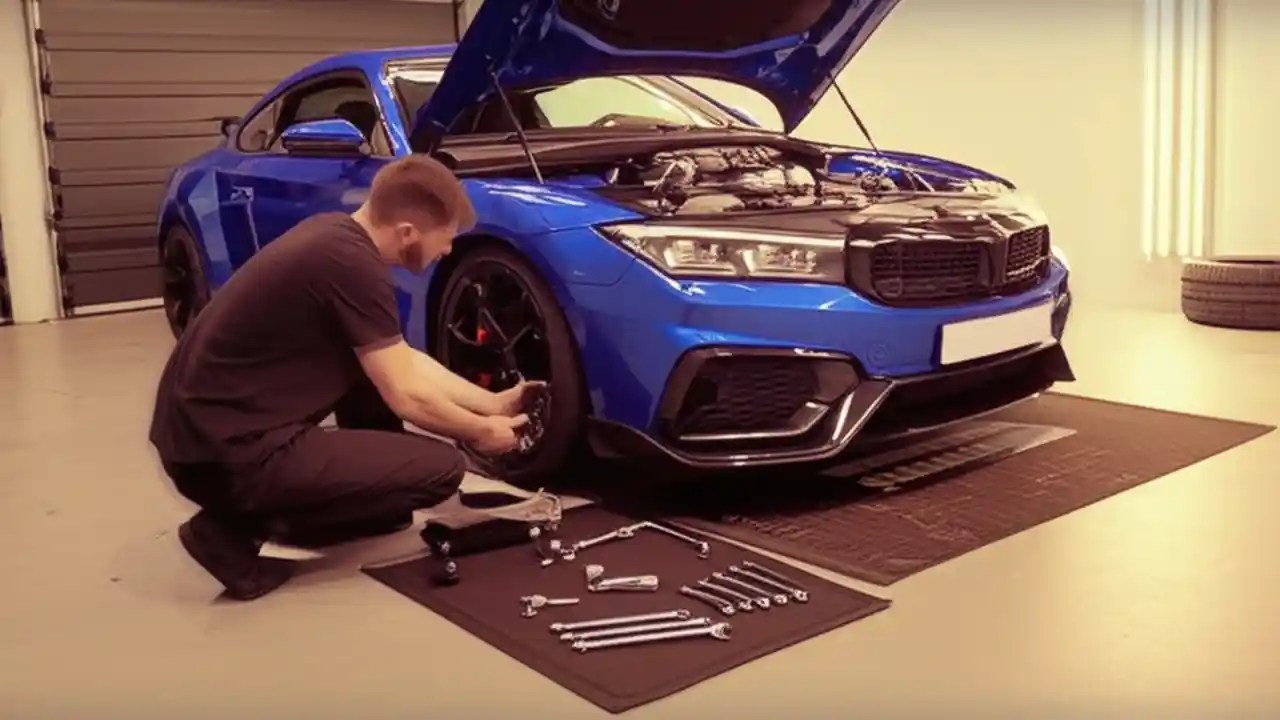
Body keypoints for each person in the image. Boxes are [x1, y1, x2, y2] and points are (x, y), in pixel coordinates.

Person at [149, 155, 536, 601]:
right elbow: (408, 395)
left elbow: (402, 359)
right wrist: (481, 433)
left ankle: (367, 502)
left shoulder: (336, 238)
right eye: (445, 240)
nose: (447, 251)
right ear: (407, 232)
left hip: (202, 436)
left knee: (371, 375)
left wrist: (493, 403)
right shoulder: (352, 266)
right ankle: (230, 533)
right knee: (442, 468)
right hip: (223, 457)